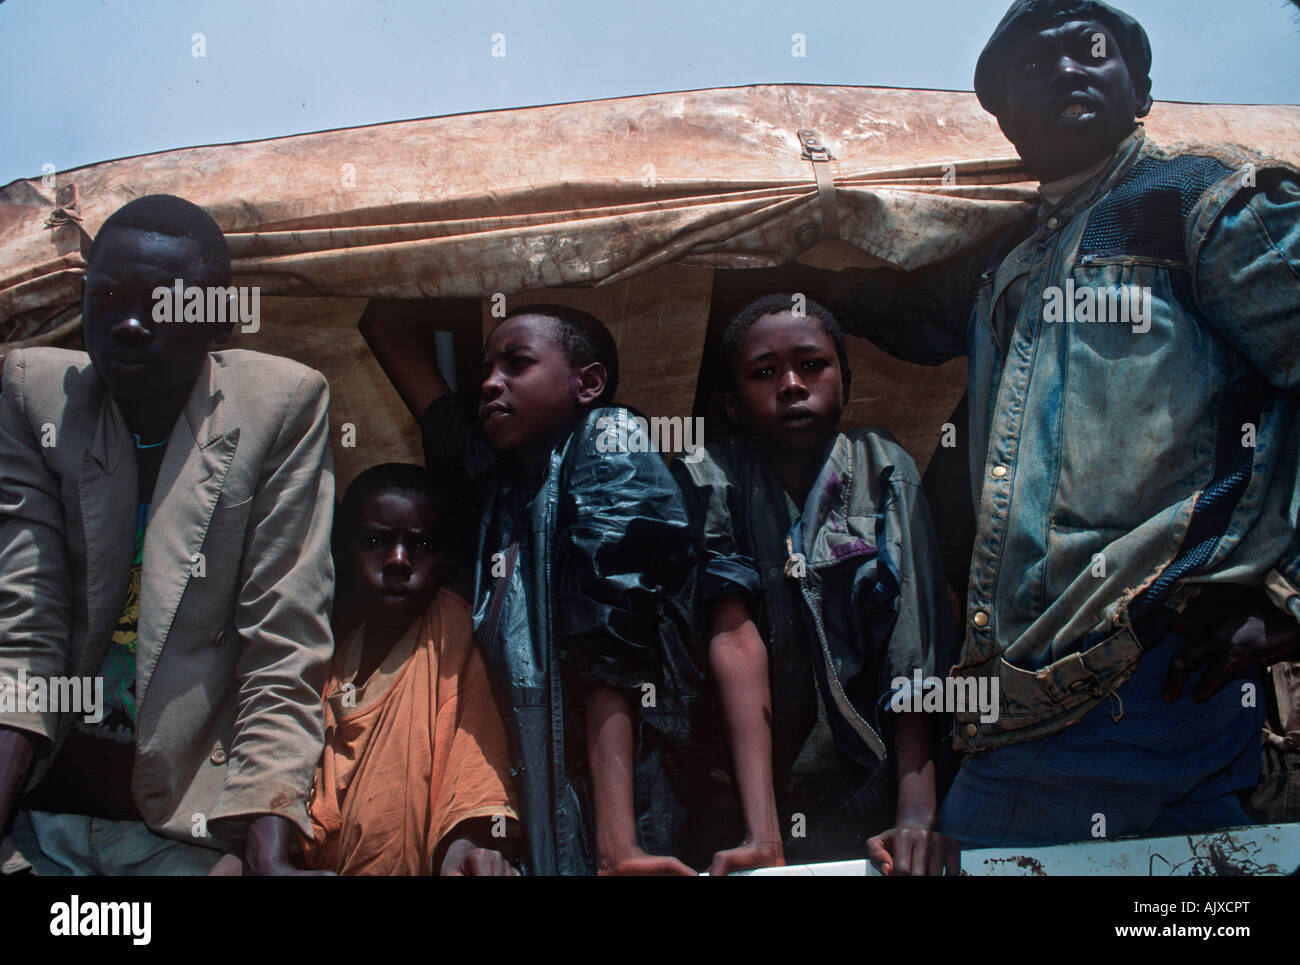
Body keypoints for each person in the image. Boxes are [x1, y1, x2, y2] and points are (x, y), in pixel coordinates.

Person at [827, 0, 1300, 846]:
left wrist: (1293, 600)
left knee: (983, 853)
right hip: (1080, 682)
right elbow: (900, 311)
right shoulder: (1008, 261)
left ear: (1141, 88)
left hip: (1135, 658)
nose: (1070, 70)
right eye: (1035, 65)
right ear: (1003, 114)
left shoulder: (1203, 201)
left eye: (1093, 51)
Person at [0, 194, 334, 874]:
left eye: (166, 304)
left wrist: (267, 851)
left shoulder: (279, 405)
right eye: (107, 297)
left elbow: (281, 642)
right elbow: (25, 630)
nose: (127, 324)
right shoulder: (34, 393)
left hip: (181, 830)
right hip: (41, 811)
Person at [361, 299, 704, 875]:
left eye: (516, 364)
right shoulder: (496, 476)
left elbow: (609, 653)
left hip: (616, 799)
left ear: (587, 382)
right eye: (485, 371)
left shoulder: (608, 443)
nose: (491, 384)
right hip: (534, 793)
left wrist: (618, 844)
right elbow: (380, 324)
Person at [673, 294, 961, 875]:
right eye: (763, 373)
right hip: (746, 790)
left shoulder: (882, 465)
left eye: (811, 365)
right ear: (729, 403)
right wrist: (763, 835)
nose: (791, 384)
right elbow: (735, 638)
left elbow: (915, 650)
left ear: (845, 383)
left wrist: (916, 817)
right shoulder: (711, 472)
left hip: (872, 783)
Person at [298, 463, 519, 875]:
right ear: (344, 552)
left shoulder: (451, 639)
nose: (399, 560)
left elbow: (471, 779)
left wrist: (464, 856)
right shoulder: (318, 643)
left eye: (422, 544)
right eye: (375, 540)